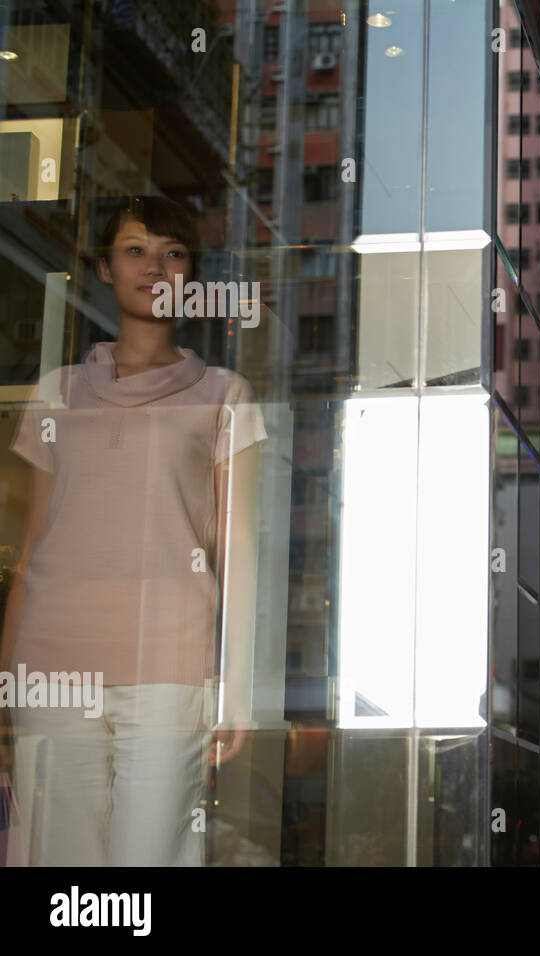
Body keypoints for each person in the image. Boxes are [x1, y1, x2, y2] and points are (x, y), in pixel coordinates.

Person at [0, 195, 266, 866]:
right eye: (135, 249)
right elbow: (31, 551)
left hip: (170, 662)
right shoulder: (59, 391)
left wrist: (238, 688)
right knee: (63, 866)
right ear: (104, 268)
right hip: (54, 666)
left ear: (192, 275)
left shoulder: (224, 394)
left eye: (173, 251)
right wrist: (5, 681)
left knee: (151, 862)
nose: (155, 265)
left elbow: (238, 550)